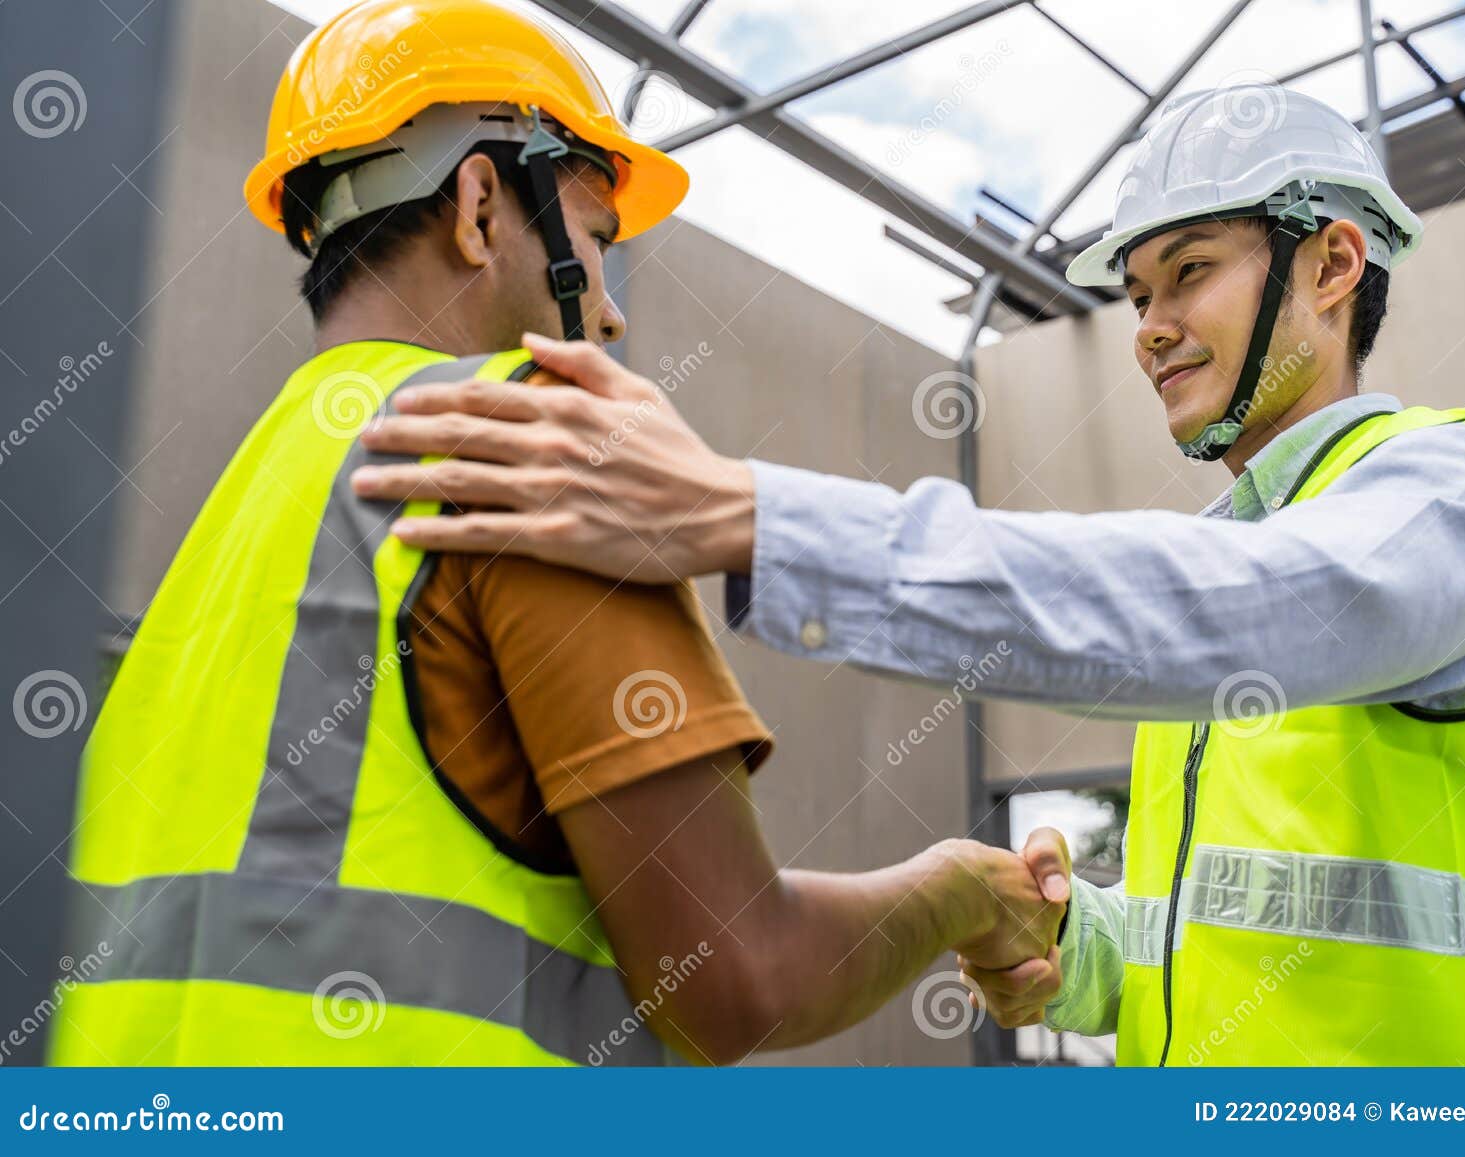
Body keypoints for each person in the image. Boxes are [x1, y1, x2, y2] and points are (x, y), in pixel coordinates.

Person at [350, 84, 1465, 1065]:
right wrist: (1076, 935)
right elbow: (1226, 947)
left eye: (1192, 272)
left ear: (1331, 266)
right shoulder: (1230, 557)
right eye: (1138, 289)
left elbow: (1264, 610)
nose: (1148, 325)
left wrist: (748, 517)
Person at [49, 0, 1068, 1068]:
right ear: (481, 203)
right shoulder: (530, 442)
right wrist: (959, 886)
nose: (615, 314)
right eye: (593, 234)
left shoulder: (242, 504)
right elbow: (733, 977)